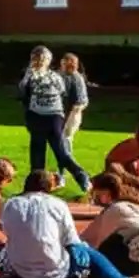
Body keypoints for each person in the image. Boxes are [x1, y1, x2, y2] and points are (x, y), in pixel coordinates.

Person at [0, 170, 139, 278]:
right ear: (49, 188)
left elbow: (7, 233)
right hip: (54, 273)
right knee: (84, 249)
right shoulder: (58, 205)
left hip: (20, 271)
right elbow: (75, 241)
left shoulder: (10, 204)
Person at [19, 45, 90, 193]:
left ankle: (81, 176)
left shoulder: (55, 76)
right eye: (35, 58)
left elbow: (63, 93)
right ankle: (36, 187)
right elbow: (22, 91)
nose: (38, 61)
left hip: (53, 117)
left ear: (48, 60)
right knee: (37, 154)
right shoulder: (29, 75)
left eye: (42, 58)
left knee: (61, 151)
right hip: (36, 116)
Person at [60, 53, 88, 185]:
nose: (68, 65)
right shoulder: (61, 76)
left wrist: (69, 117)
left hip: (72, 114)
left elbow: (80, 102)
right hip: (61, 113)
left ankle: (70, 174)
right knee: (62, 144)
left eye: (71, 63)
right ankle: (63, 173)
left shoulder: (76, 79)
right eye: (66, 63)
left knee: (65, 143)